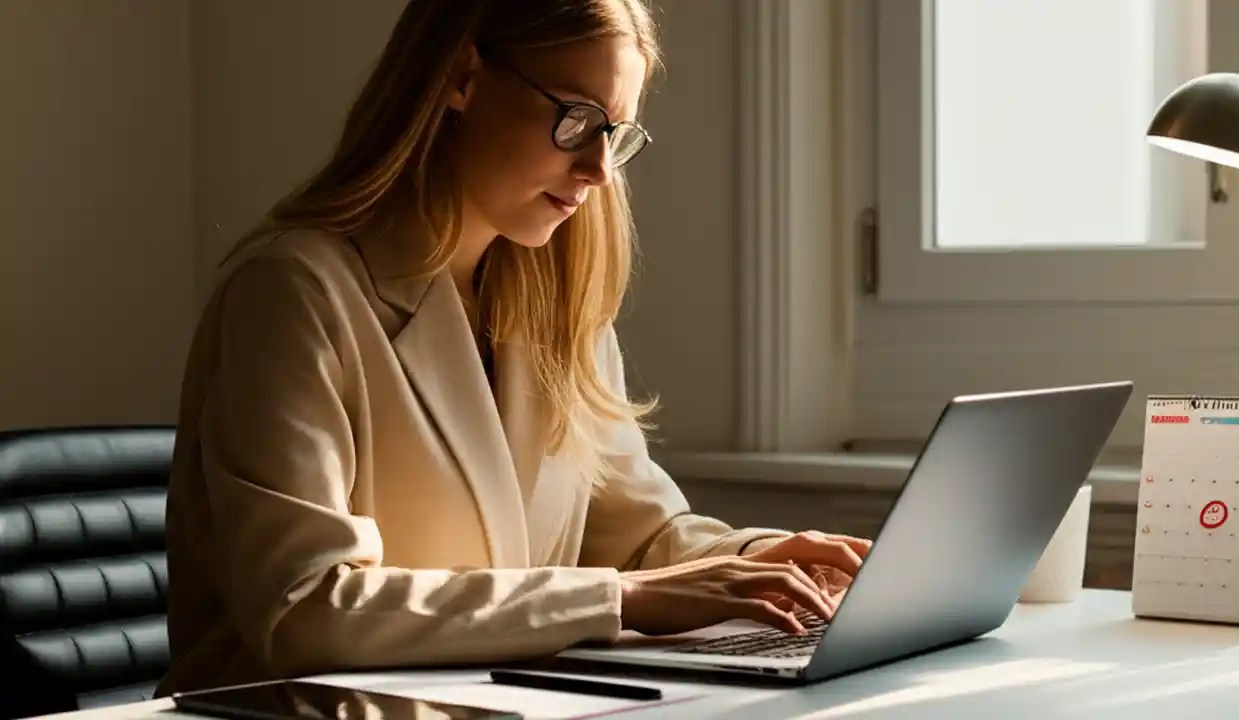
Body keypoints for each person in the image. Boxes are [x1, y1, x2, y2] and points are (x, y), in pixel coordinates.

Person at [157, 0, 872, 696]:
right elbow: (307, 607)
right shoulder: (294, 292)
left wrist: (759, 561)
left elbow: (638, 539)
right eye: (577, 119)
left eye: (615, 132)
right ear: (461, 79)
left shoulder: (560, 303)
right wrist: (619, 600)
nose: (597, 170)